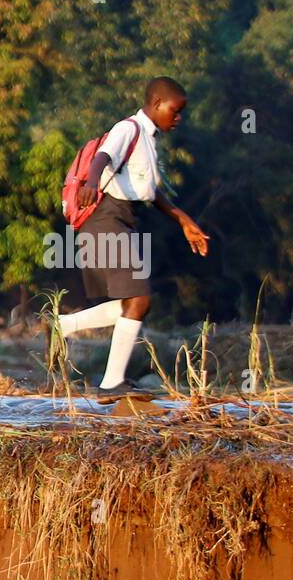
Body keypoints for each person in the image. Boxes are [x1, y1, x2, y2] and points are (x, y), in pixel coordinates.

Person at [56, 76, 210, 396]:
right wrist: (92, 183)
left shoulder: (149, 141)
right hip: (105, 217)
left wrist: (184, 221)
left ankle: (63, 326)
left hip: (122, 220)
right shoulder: (129, 129)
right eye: (175, 110)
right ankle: (111, 383)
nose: (178, 118)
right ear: (156, 104)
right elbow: (103, 157)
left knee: (133, 301)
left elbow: (151, 194)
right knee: (139, 299)